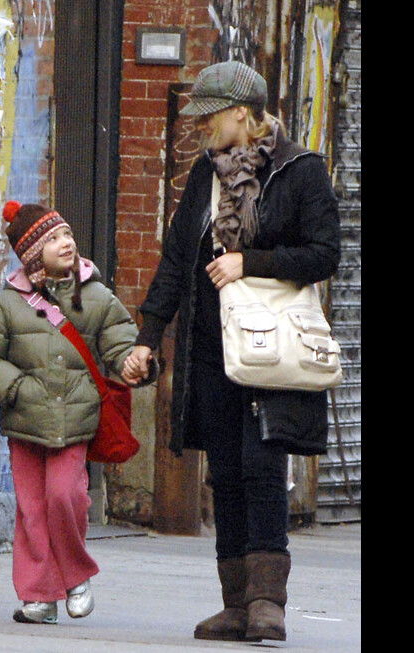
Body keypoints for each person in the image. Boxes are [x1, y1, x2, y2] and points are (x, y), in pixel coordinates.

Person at [120, 60, 341, 642]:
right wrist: (146, 340)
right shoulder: (204, 177)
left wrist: (252, 262)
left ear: (242, 115)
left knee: (262, 464)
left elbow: (323, 255)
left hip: (273, 348)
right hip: (210, 349)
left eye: (208, 119)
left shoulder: (300, 171)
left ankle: (268, 601)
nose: (199, 131)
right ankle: (236, 604)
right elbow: (174, 263)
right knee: (225, 473)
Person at [0, 201, 152, 625]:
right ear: (33, 256)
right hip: (25, 422)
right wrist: (16, 388)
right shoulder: (9, 304)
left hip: (76, 421)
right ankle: (38, 595)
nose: (65, 243)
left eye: (65, 234)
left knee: (66, 497)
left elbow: (119, 344)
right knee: (32, 509)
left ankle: (75, 574)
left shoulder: (97, 297)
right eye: (52, 239)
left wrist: (133, 364)